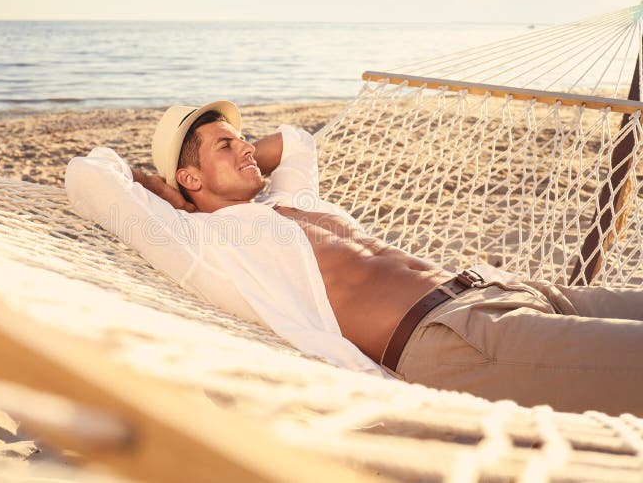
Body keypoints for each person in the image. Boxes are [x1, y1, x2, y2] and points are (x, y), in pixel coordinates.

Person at [65, 100, 643, 416]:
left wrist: (232, 154)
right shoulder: (204, 244)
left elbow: (296, 141)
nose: (246, 146)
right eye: (226, 144)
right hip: (459, 341)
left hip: (505, 287)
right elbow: (89, 178)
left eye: (243, 139)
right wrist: (170, 195)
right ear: (188, 177)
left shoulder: (289, 197)